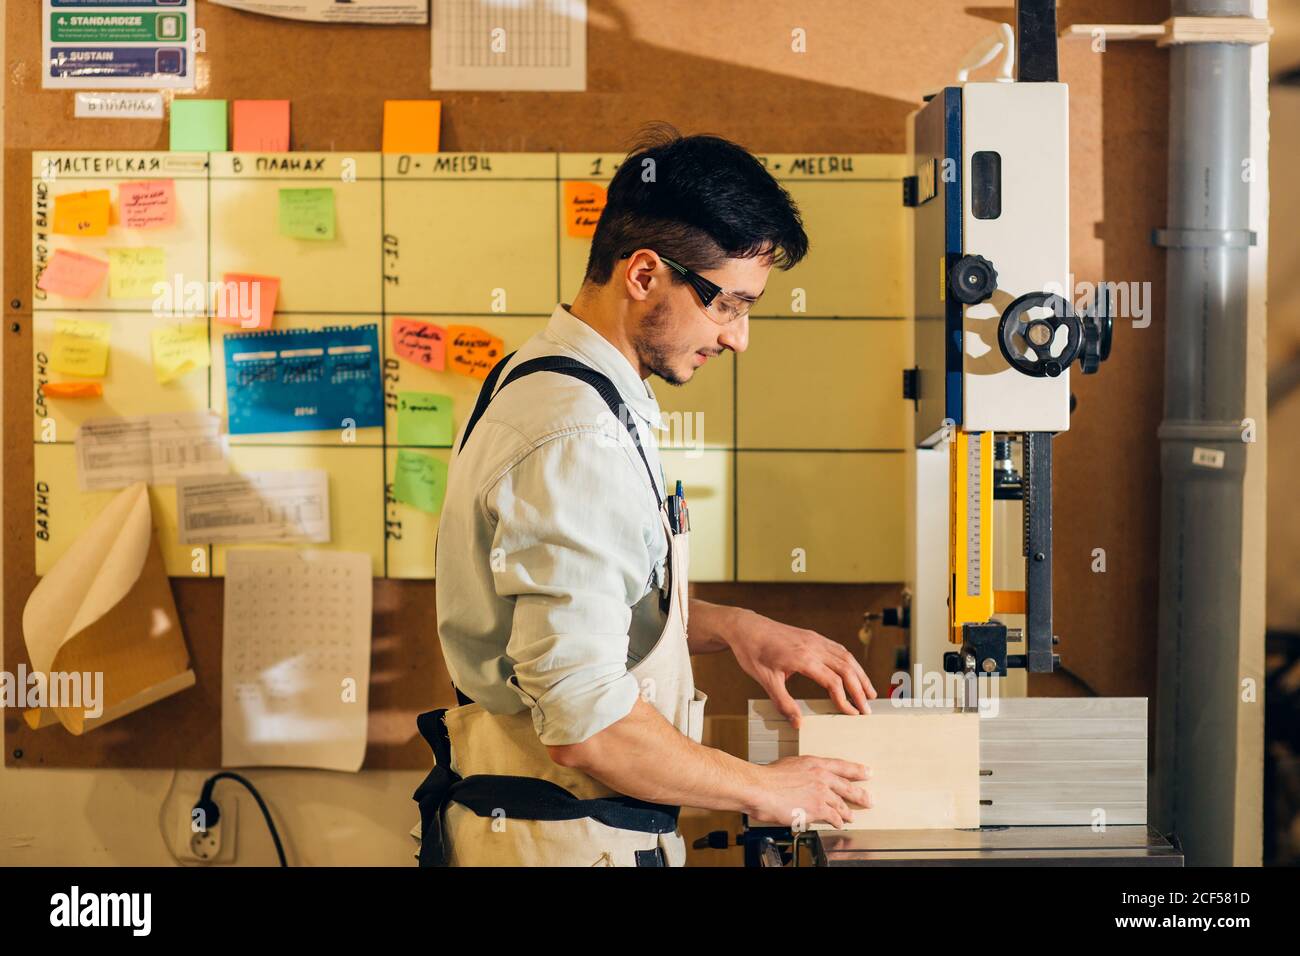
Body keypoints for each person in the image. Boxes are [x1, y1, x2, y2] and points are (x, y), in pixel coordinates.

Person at [414, 127, 874, 867]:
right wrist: (767, 788)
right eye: (729, 305)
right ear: (643, 276)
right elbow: (584, 721)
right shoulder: (575, 436)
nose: (739, 338)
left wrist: (732, 627)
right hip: (562, 842)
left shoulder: (542, 376)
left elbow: (578, 609)